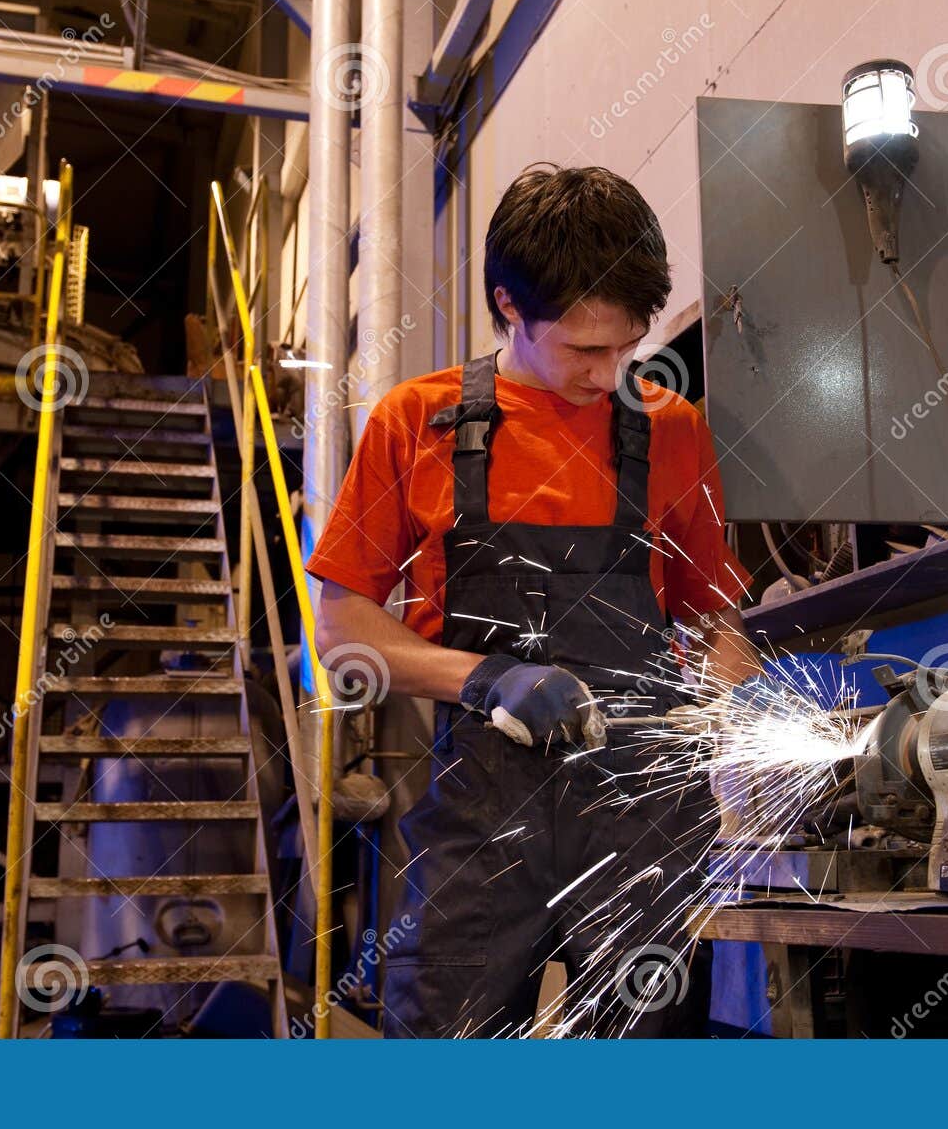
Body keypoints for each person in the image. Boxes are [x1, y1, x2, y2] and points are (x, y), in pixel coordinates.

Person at [308, 164, 761, 1037]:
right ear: (509, 306)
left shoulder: (672, 430)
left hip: (645, 824)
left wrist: (735, 716)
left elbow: (712, 621)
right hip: (482, 829)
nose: (608, 371)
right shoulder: (419, 421)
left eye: (624, 347)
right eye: (584, 350)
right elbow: (342, 633)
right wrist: (485, 679)